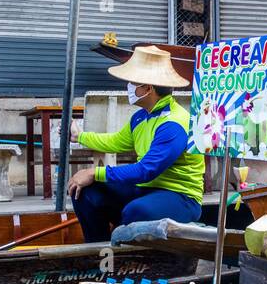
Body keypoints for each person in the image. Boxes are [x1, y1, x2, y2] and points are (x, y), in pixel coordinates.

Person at [67, 45, 204, 242]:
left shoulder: (174, 123)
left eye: (133, 83)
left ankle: (131, 258)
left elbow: (146, 170)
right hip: (145, 189)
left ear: (148, 88)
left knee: (135, 211)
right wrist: (79, 136)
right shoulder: (141, 118)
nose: (128, 87)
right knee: (84, 191)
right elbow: (115, 141)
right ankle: (98, 250)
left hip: (181, 197)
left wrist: (94, 172)